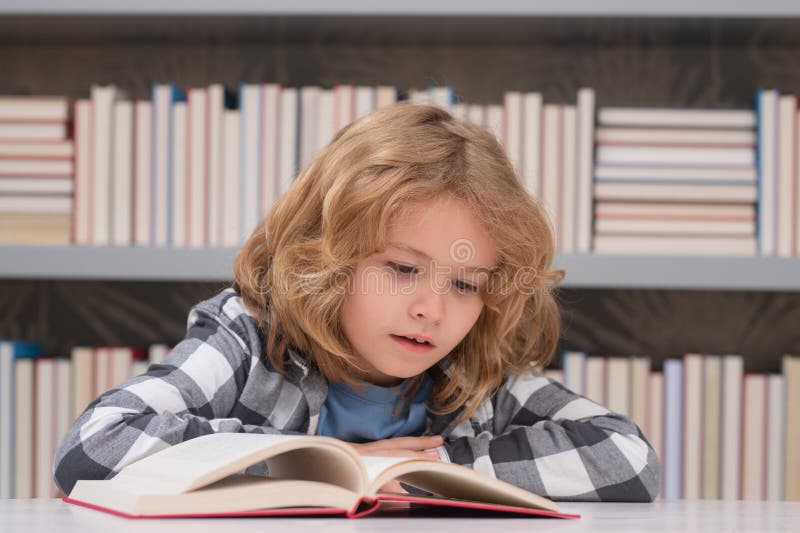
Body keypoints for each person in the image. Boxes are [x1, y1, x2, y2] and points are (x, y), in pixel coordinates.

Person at [53, 102, 660, 501]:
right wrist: (321, 462)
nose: (432, 310)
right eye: (401, 269)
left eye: (466, 283)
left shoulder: (468, 372)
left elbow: (628, 458)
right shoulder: (248, 337)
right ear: (325, 258)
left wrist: (421, 473)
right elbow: (95, 445)